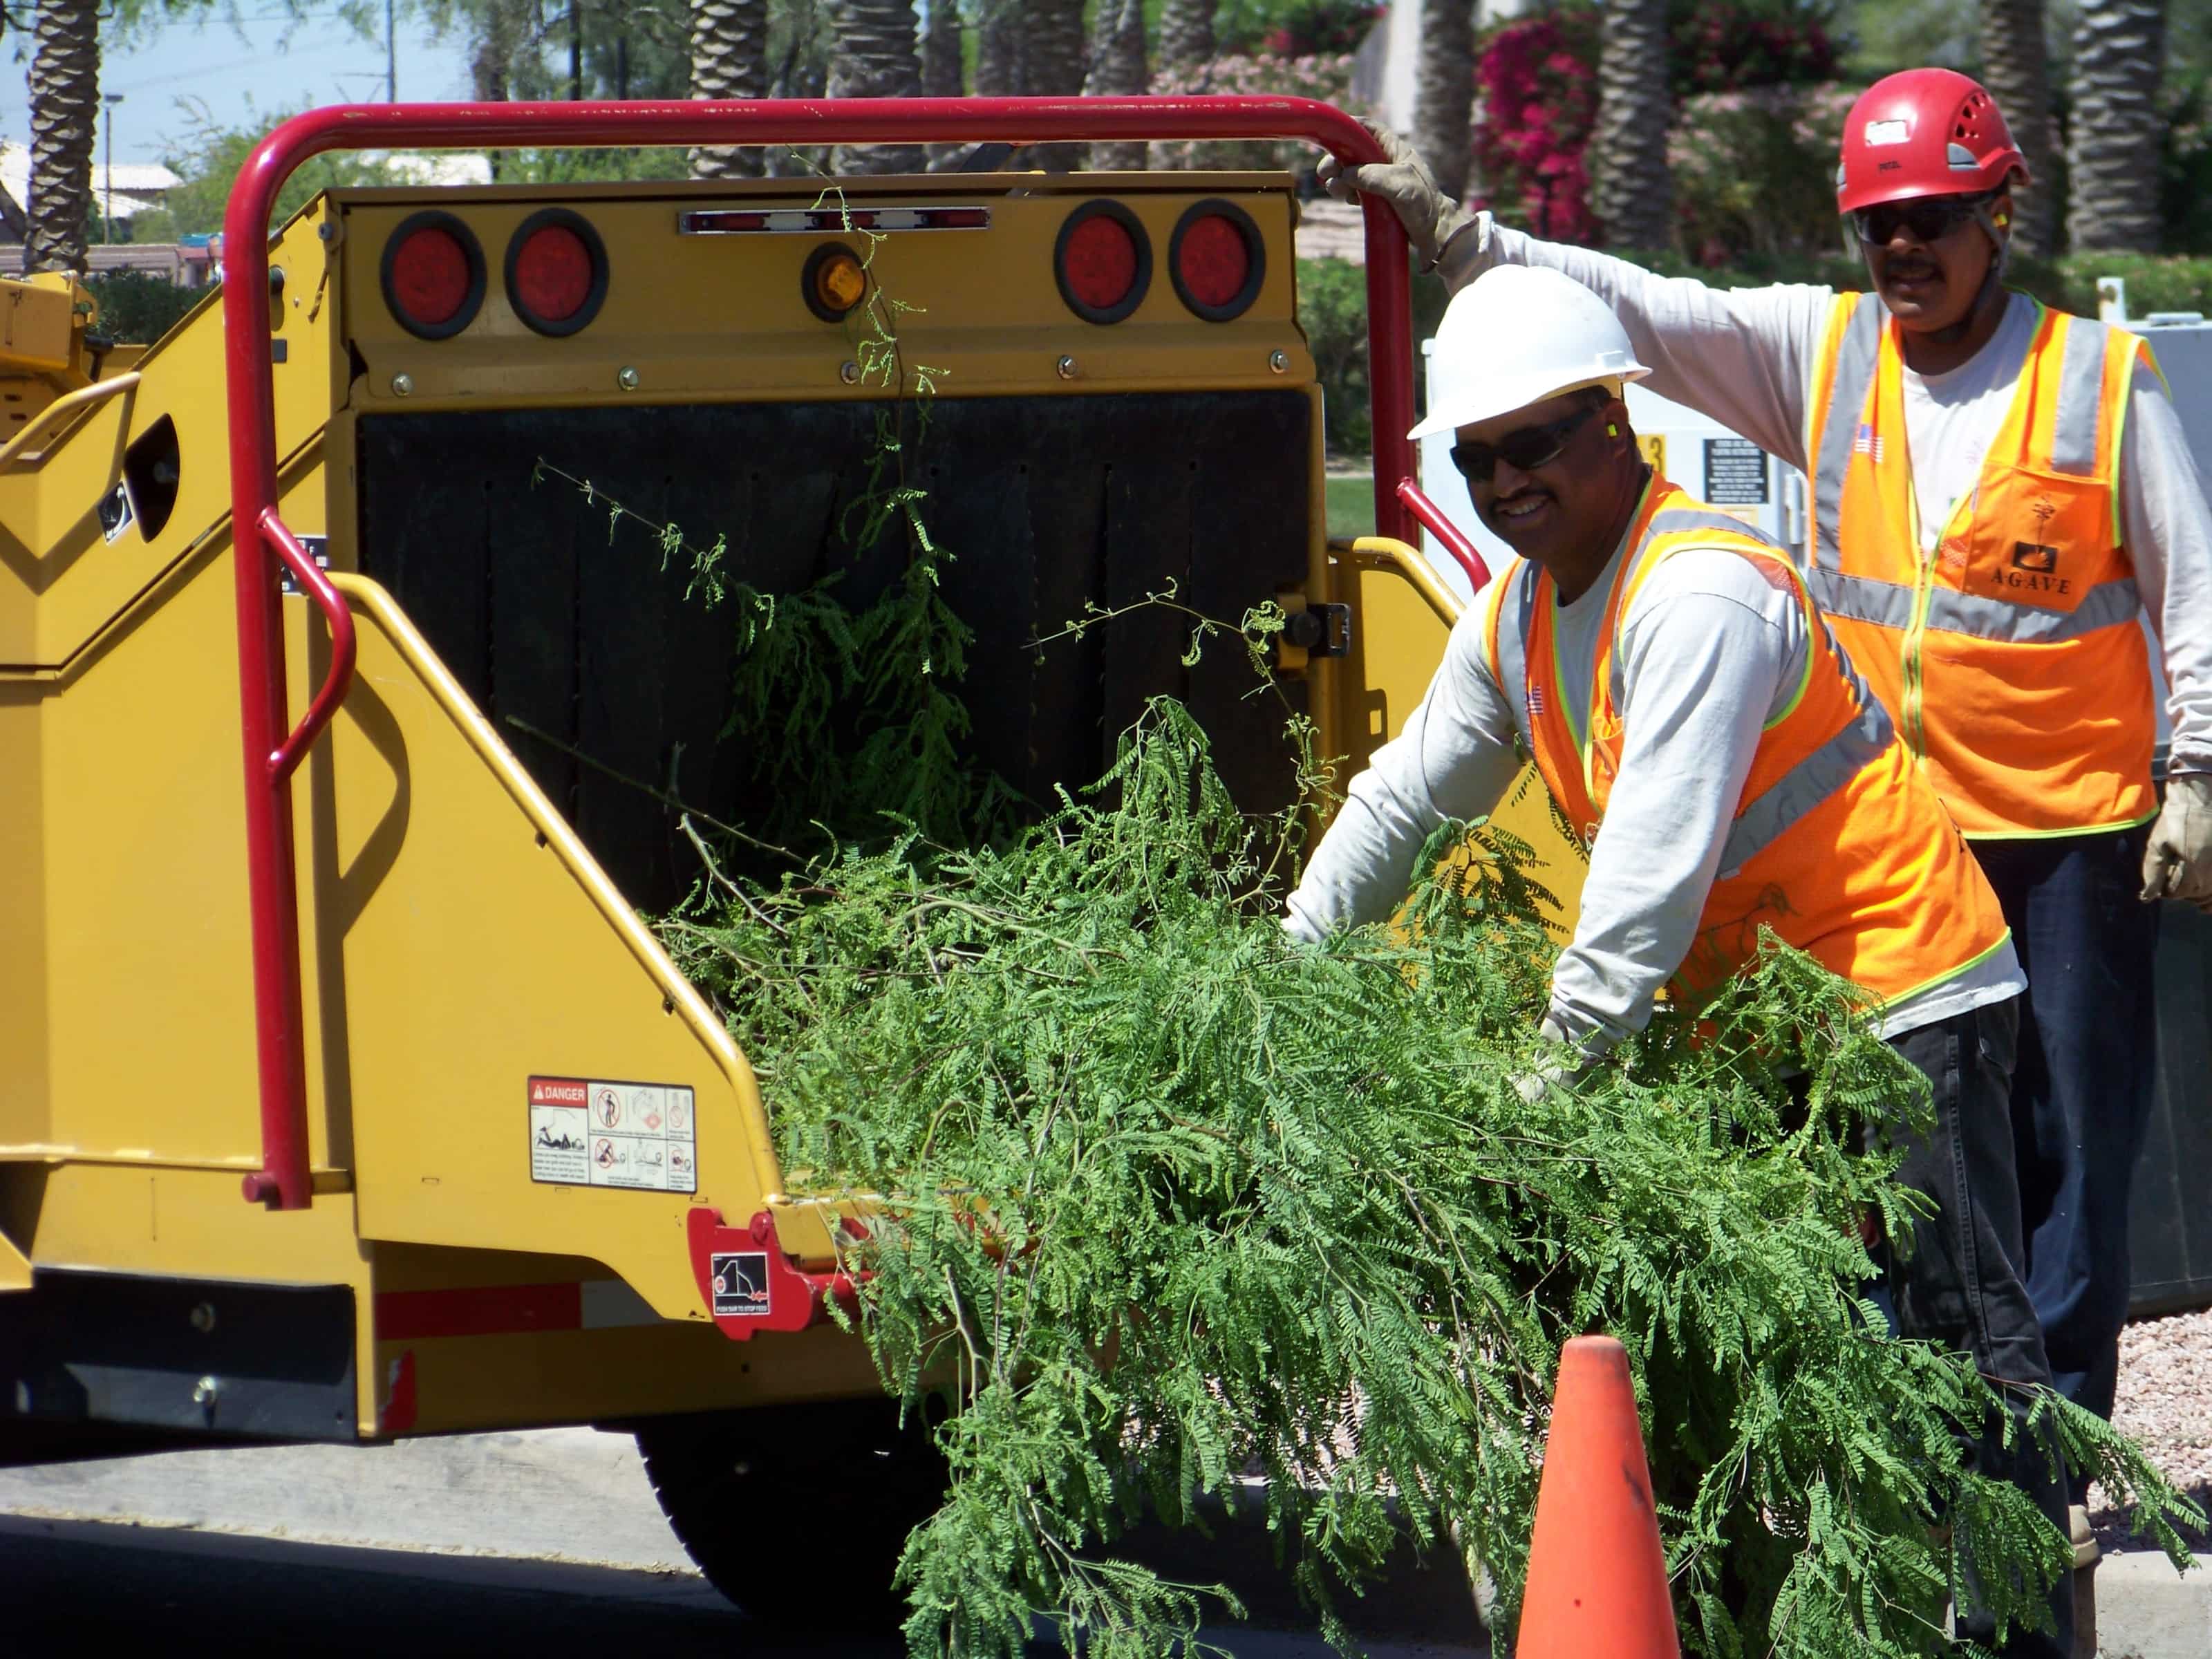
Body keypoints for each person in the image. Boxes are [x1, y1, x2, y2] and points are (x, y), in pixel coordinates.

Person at [1324, 68, 2212, 1512]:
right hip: (1898, 826)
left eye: (1929, 219)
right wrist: (1479, 249)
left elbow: (2193, 584)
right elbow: (1645, 312)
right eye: (1877, 228)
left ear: (1999, 211)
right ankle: (1975, 1471)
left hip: (2066, 831)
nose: (1902, 252)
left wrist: (2197, 769)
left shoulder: (2098, 385)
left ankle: (2042, 1460)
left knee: (2070, 1161)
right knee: (1960, 1182)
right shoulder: (1826, 354)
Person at [1287, 262, 2072, 1655]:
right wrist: (1276, 983)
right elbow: (1399, 798)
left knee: (1959, 1352)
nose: (1504, 479)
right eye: (1476, 457)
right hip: (1757, 1026)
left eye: (1532, 442)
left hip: (1899, 996)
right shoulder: (1517, 618)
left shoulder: (1696, 590)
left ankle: (2015, 1632)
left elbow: (1644, 882)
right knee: (1775, 1355)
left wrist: (1549, 1083)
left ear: (1614, 427)